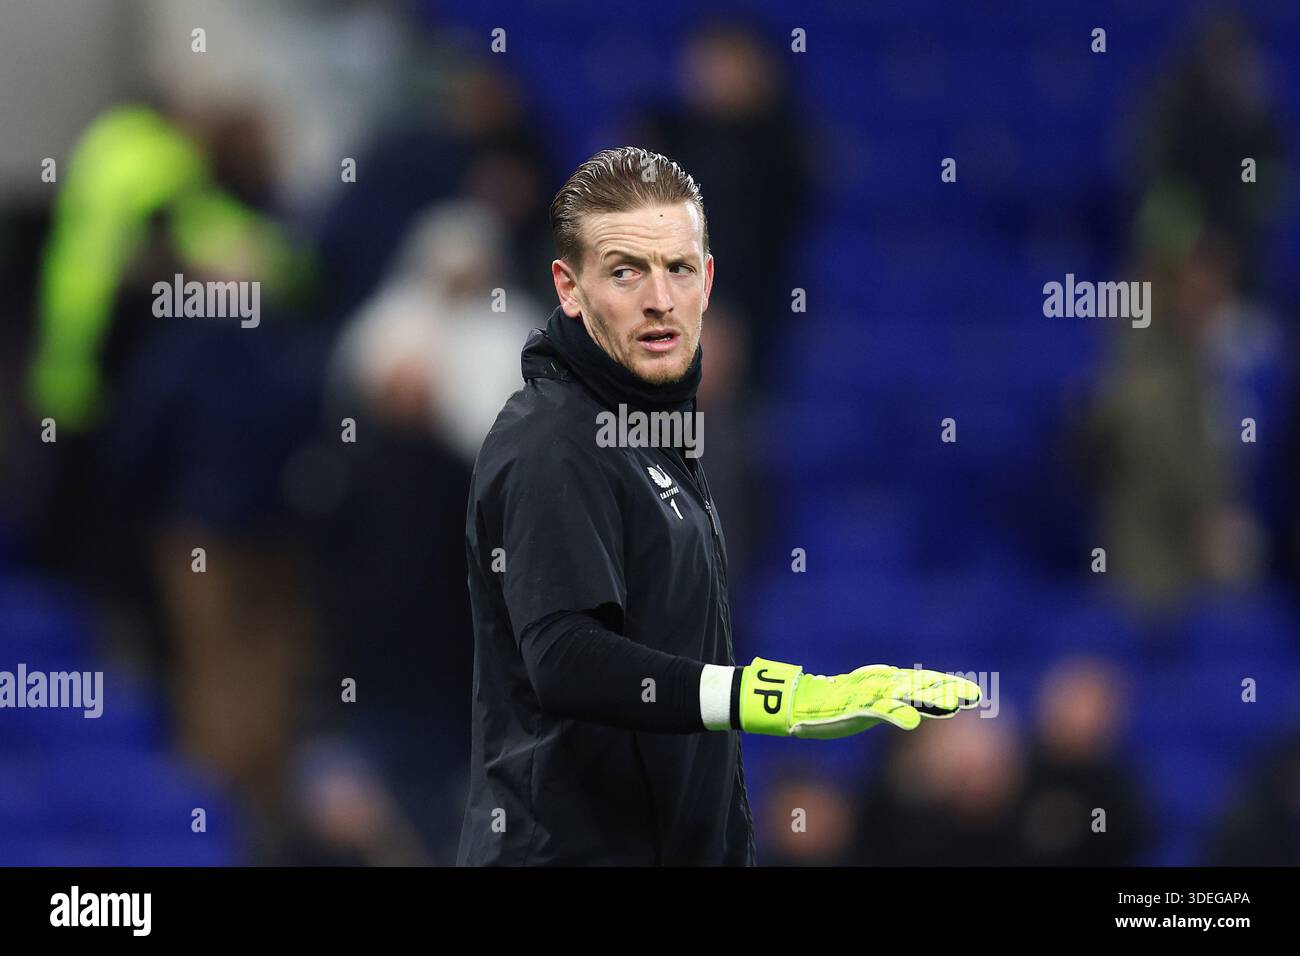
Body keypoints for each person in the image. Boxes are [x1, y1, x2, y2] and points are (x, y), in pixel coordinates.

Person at [456, 147, 981, 866]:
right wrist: (776, 700)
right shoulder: (556, 438)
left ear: (706, 278)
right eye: (624, 271)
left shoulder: (647, 425)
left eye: (676, 268)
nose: (658, 298)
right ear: (569, 288)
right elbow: (565, 658)